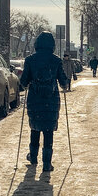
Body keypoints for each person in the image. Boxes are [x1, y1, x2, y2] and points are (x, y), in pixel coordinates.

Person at [19, 32, 69, 172]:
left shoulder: (30, 60)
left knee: (35, 128)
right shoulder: (56, 60)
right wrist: (64, 85)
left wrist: (28, 84)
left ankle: (33, 157)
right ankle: (47, 163)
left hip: (34, 100)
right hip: (51, 100)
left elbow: (23, 82)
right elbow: (64, 81)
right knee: (48, 130)